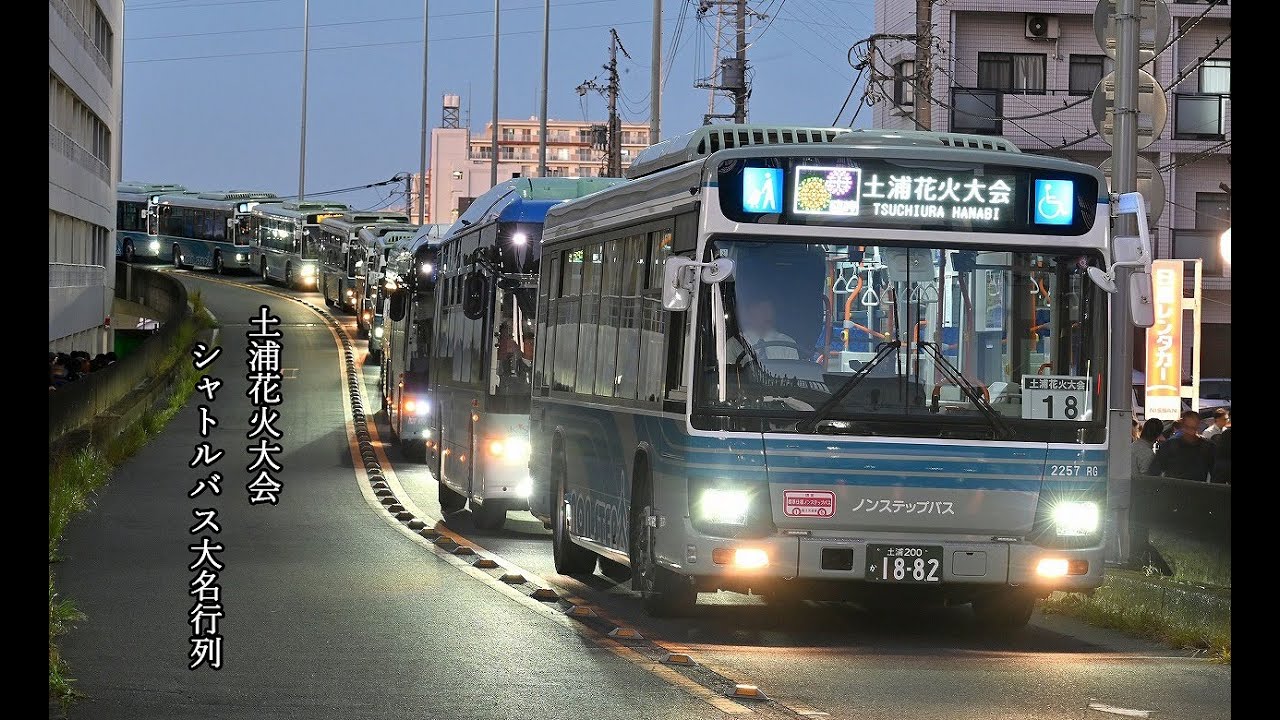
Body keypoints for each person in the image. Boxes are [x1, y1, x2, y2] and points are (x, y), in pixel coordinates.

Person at [1149, 409, 1214, 482]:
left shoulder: (1208, 447)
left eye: (1193, 428)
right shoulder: (1169, 445)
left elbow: (1215, 474)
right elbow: (1154, 471)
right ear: (1182, 426)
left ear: (1198, 427)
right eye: (1187, 427)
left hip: (1198, 490)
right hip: (1173, 490)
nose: (1190, 432)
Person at [732, 297, 800, 361]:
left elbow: (794, 372)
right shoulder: (735, 344)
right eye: (761, 310)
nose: (766, 314)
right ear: (748, 314)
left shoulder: (788, 344)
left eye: (769, 309)